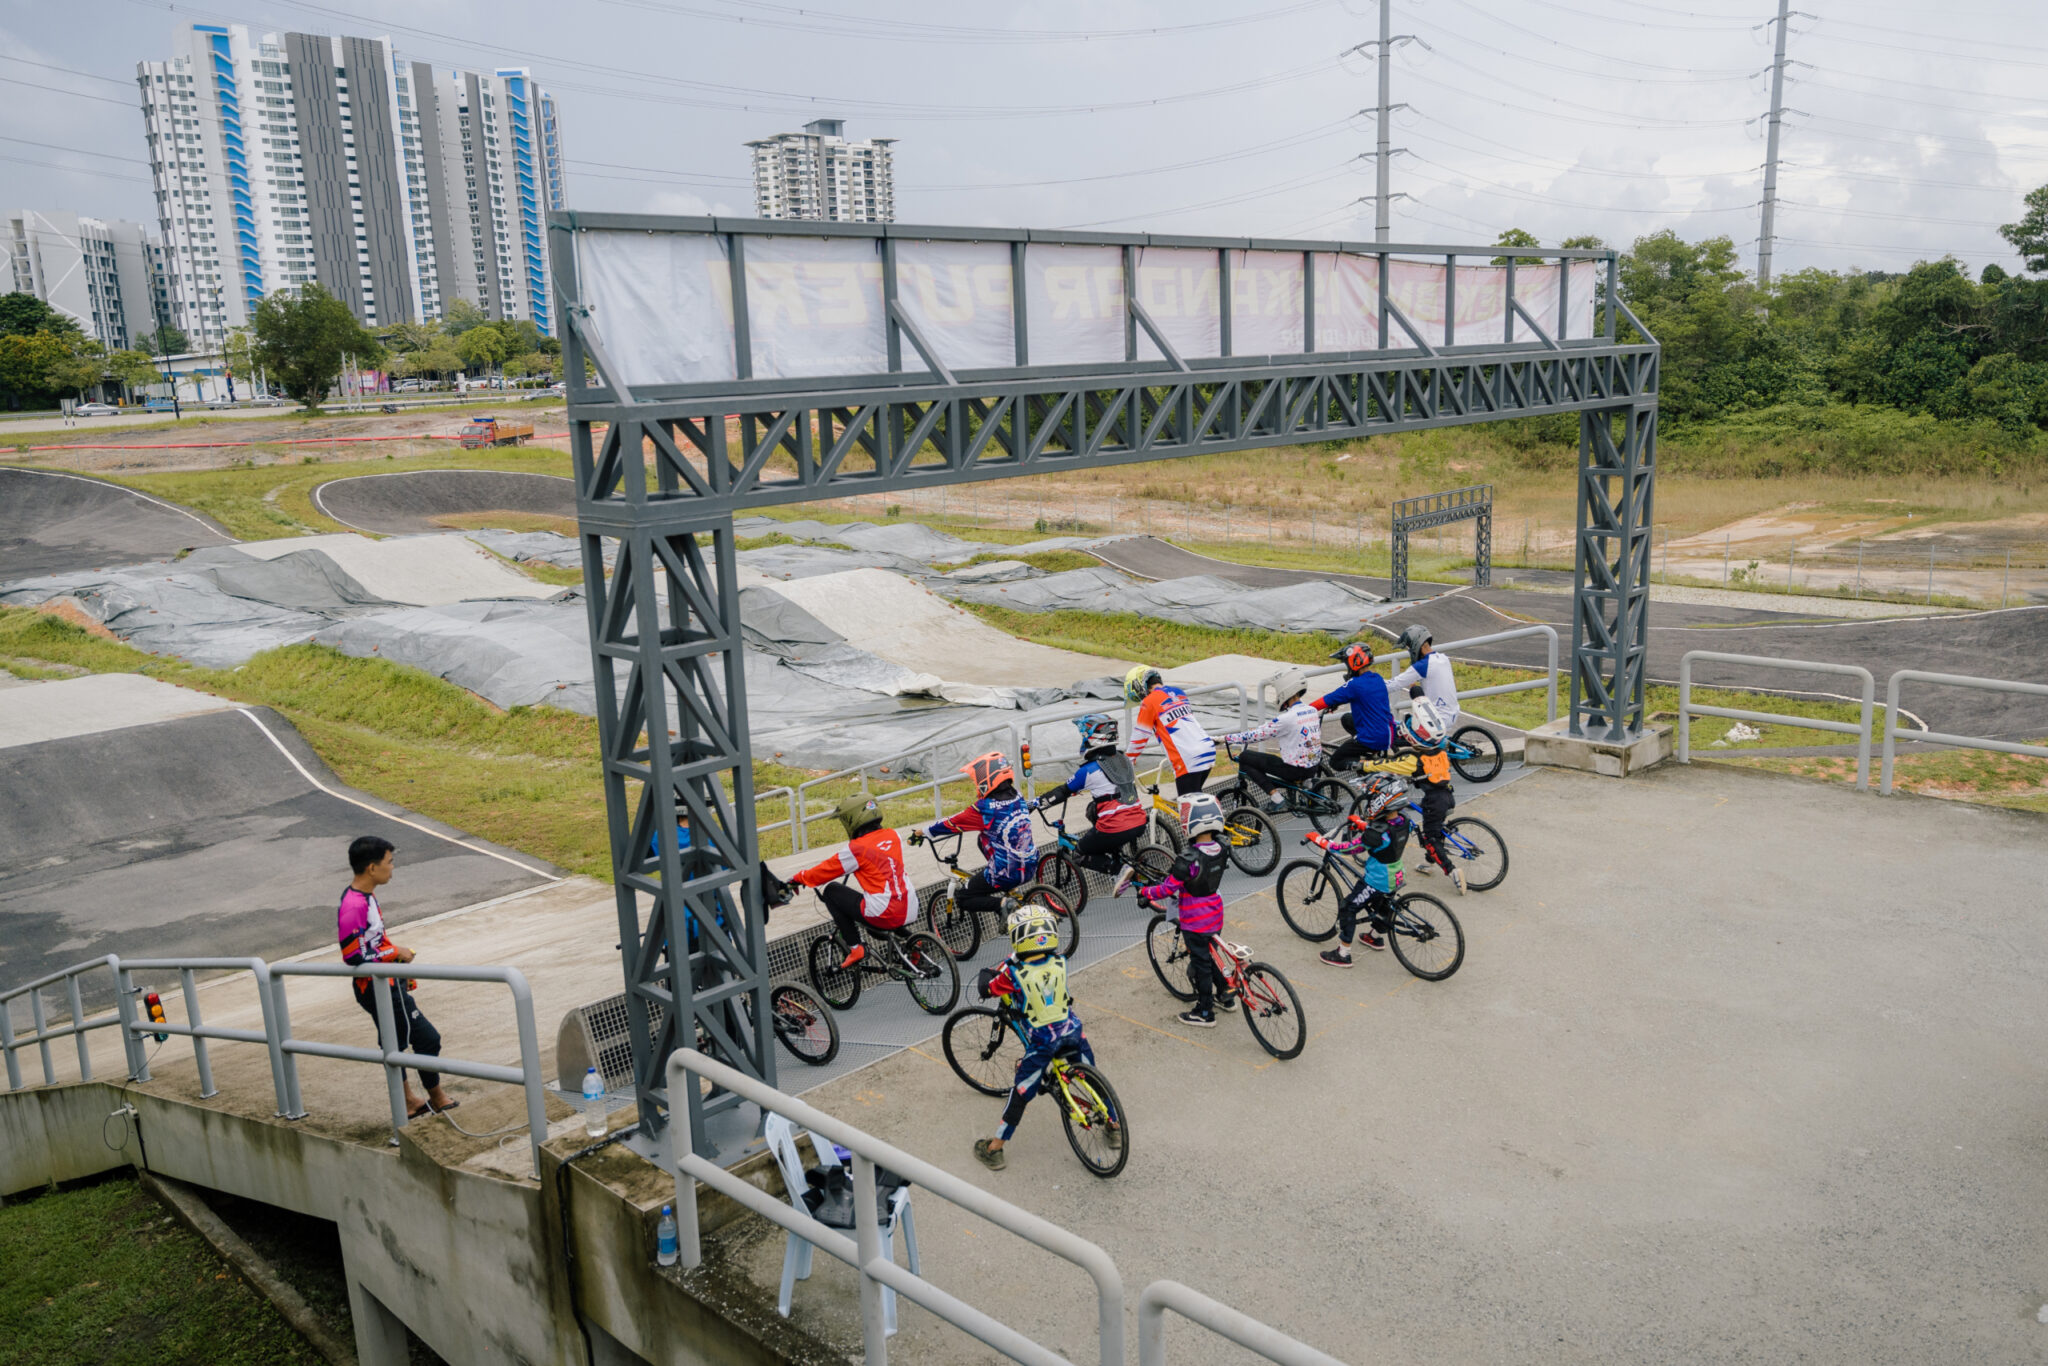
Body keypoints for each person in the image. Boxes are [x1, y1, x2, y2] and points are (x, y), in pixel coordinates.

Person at [971, 904, 1106, 1171]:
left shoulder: (1013, 974)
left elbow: (988, 989)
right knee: (1091, 1075)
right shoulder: (1060, 961)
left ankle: (994, 1149)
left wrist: (985, 975)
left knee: (1021, 1091)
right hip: (1073, 1031)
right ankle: (1113, 1125)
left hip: (1044, 1042)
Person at [337, 836, 454, 1119]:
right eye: (389, 862)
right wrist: (395, 952)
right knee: (427, 1038)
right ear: (372, 868)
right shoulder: (354, 904)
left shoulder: (366, 897)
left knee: (395, 1041)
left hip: (385, 982)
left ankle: (410, 1101)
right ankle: (435, 1098)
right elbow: (353, 955)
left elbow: (372, 943)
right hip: (376, 987)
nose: (392, 868)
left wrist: (397, 965)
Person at [1135, 793, 1234, 1028]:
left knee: (1201, 965)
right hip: (1215, 912)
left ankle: (1205, 1012)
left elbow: (1168, 888)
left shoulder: (1188, 859)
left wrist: (1146, 892)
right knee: (1210, 954)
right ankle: (1225, 995)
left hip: (1195, 919)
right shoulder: (1223, 846)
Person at [911, 752, 1037, 927]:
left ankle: (1002, 904)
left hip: (1006, 873)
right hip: (1031, 864)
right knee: (982, 837)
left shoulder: (983, 809)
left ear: (986, 778)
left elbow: (951, 822)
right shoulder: (1018, 796)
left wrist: (922, 832)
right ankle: (1009, 893)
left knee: (964, 897)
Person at [787, 796, 913, 969]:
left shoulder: (856, 848)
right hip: (910, 904)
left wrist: (799, 878)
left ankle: (855, 948)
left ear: (853, 818)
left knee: (831, 891)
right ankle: (912, 941)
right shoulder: (894, 835)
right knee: (876, 911)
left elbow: (825, 870)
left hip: (884, 912)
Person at [1307, 775, 1413, 968]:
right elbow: (1386, 833)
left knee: (1348, 907)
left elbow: (1351, 848)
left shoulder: (1376, 835)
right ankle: (1375, 936)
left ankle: (1343, 953)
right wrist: (1364, 825)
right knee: (1384, 905)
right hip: (1397, 874)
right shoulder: (1404, 820)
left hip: (1378, 879)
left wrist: (1324, 843)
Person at [1047, 714, 1149, 893]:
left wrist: (1035, 803)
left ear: (1091, 738)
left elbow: (1063, 791)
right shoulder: (1124, 759)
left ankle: (1118, 870)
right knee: (1093, 810)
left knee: (1079, 853)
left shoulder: (1088, 770)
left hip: (1116, 827)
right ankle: (1117, 855)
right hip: (1140, 820)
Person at [1218, 668, 1323, 814]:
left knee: (1245, 757)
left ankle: (1276, 798)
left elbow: (1258, 734)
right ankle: (1307, 785)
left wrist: (1226, 739)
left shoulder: (1286, 718)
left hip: (1295, 770)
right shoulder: (1311, 710)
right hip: (1313, 767)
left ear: (1284, 690)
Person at [1396, 693, 1465, 894]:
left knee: (1430, 838)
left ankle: (1452, 871)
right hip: (1447, 796)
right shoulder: (1440, 752)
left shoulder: (1418, 761)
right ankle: (1428, 863)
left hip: (1434, 802)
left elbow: (1397, 767)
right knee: (1435, 828)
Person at [1124, 666, 1216, 795]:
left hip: (1187, 758)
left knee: (1187, 803)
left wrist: (1128, 759)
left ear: (1139, 686)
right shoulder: (1179, 692)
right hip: (1207, 749)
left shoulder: (1149, 701)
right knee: (1196, 796)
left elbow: (1140, 735)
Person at [1312, 643, 1396, 773]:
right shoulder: (1377, 678)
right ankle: (1364, 755)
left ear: (1353, 663)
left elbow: (1327, 699)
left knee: (1335, 761)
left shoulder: (1354, 685)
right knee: (1347, 719)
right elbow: (1364, 696)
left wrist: (1304, 709)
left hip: (1371, 738)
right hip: (1387, 734)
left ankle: (1367, 765)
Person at [1389, 625, 1458, 722]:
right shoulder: (1443, 658)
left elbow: (1395, 684)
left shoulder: (1423, 665)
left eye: (1410, 648)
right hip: (1453, 713)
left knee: (1404, 726)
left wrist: (1372, 686)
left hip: (1437, 718)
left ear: (1416, 644)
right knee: (1415, 691)